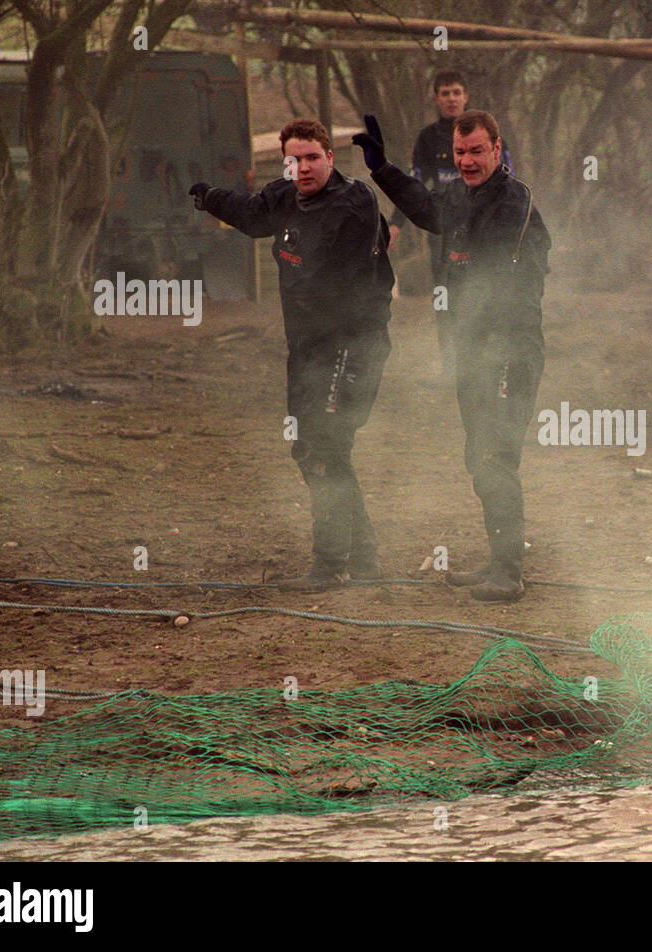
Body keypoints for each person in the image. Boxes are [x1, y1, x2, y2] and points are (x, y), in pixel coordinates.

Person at [189, 119, 393, 592]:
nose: (302, 168)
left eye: (311, 158)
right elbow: (255, 214)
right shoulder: (283, 196)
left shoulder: (355, 204)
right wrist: (211, 197)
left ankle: (331, 564)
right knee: (309, 450)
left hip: (353, 346)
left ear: (330, 157)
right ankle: (363, 557)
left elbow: (358, 283)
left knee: (327, 447)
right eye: (293, 159)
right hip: (306, 350)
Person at [354, 110, 549, 602]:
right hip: (473, 350)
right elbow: (425, 206)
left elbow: (492, 275)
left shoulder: (512, 201)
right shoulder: (462, 196)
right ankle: (499, 559)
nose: (466, 161)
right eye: (459, 153)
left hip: (509, 349)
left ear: (497, 149)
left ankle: (508, 572)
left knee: (494, 456)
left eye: (476, 151)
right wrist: (382, 170)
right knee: (478, 455)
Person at [388, 70, 513, 378]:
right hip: (444, 233)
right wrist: (396, 223)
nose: (452, 98)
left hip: (483, 231)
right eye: (445, 93)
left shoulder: (488, 134)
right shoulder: (428, 138)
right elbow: (414, 185)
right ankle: (450, 369)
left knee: (485, 292)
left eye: (457, 92)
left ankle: (488, 367)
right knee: (445, 297)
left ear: (466, 96)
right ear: (436, 99)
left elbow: (508, 180)